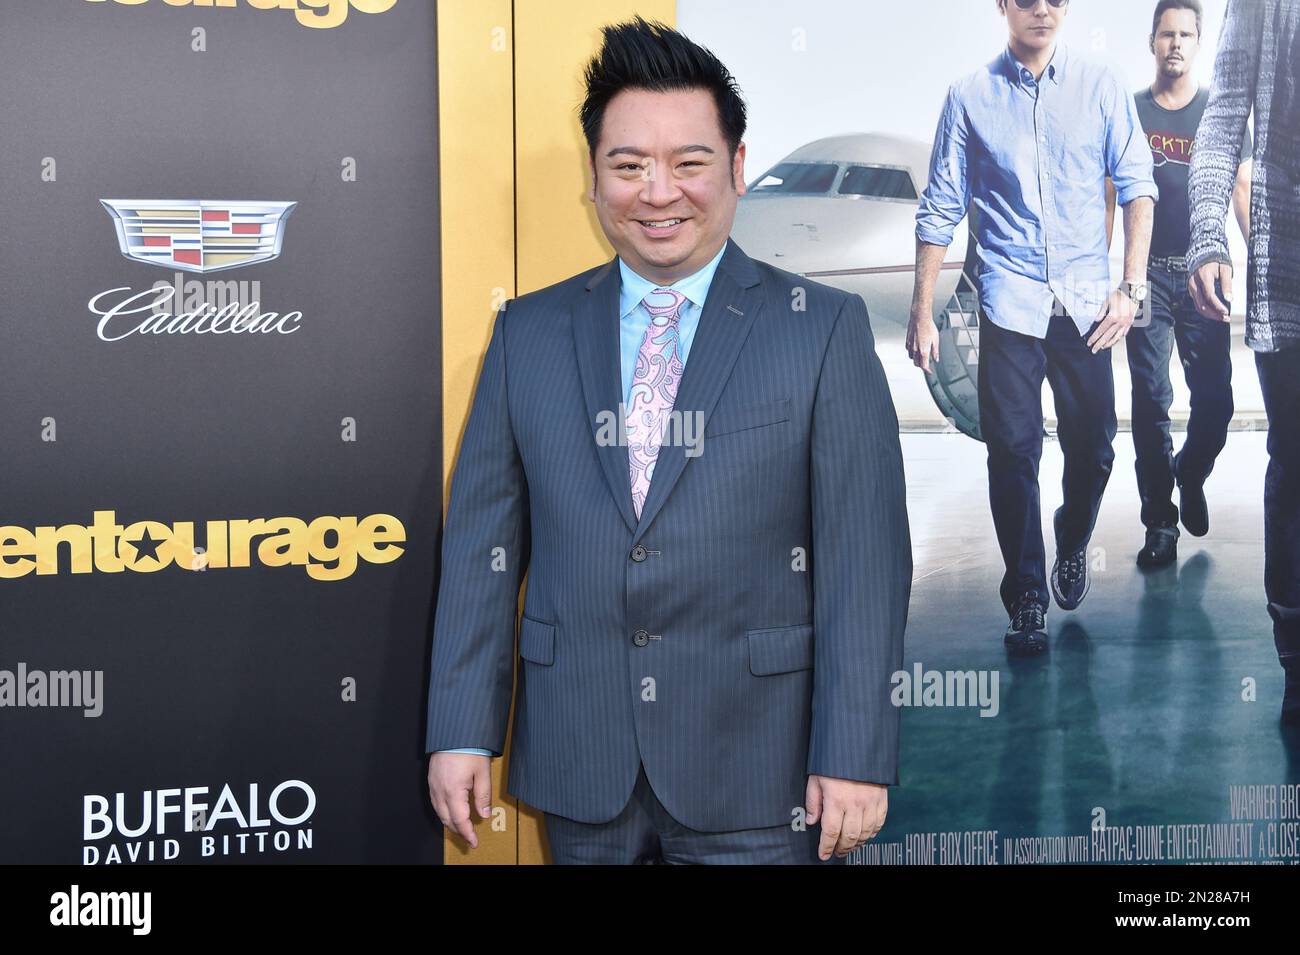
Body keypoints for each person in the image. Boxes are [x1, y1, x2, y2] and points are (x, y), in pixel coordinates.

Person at [424, 17, 912, 863]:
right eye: (629, 166)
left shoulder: (822, 329)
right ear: (594, 177)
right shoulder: (526, 334)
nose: (659, 192)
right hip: (581, 764)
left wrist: (854, 752)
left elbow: (864, 560)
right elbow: (481, 549)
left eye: (688, 163)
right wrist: (461, 727)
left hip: (762, 772)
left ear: (736, 168)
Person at [908, 0, 1157, 653]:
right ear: (1003, 6)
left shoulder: (1100, 85)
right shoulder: (968, 96)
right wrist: (921, 311)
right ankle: (1025, 598)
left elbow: (1138, 185)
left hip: (1084, 308)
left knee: (1096, 448)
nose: (1040, 9)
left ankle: (1071, 539)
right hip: (1008, 303)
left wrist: (1131, 288)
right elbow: (940, 207)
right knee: (1013, 449)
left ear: (1066, 6)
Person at [1187, 0, 1300, 721]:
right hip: (1289, 277)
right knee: (1295, 461)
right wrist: (1207, 233)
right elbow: (1226, 109)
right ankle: (1295, 653)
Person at [1118, 0, 1251, 569]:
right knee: (1150, 401)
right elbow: (1110, 194)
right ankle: (1160, 521)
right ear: (1152, 41)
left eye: (1186, 35)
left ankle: (1190, 473)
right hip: (1146, 275)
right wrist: (1109, 276)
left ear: (1199, 44)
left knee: (1216, 403)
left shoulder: (1217, 114)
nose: (1175, 43)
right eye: (1166, 34)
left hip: (1205, 273)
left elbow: (1242, 189)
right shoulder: (1129, 113)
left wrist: (1265, 263)